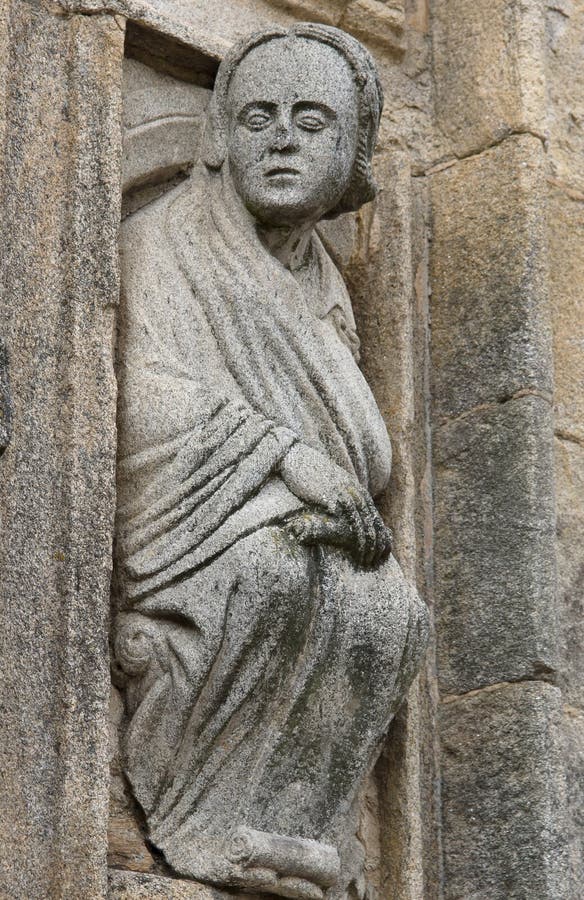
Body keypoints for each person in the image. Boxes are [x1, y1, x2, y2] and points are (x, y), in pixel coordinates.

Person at [113, 24, 428, 900]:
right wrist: (285, 460)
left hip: (288, 514)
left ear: (353, 153)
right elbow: (138, 400)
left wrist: (324, 480)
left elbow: (359, 447)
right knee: (275, 570)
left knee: (395, 613)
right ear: (220, 136)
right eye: (258, 115)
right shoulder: (167, 243)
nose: (281, 137)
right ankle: (205, 822)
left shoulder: (324, 293)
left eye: (311, 120)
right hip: (197, 525)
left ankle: (292, 824)